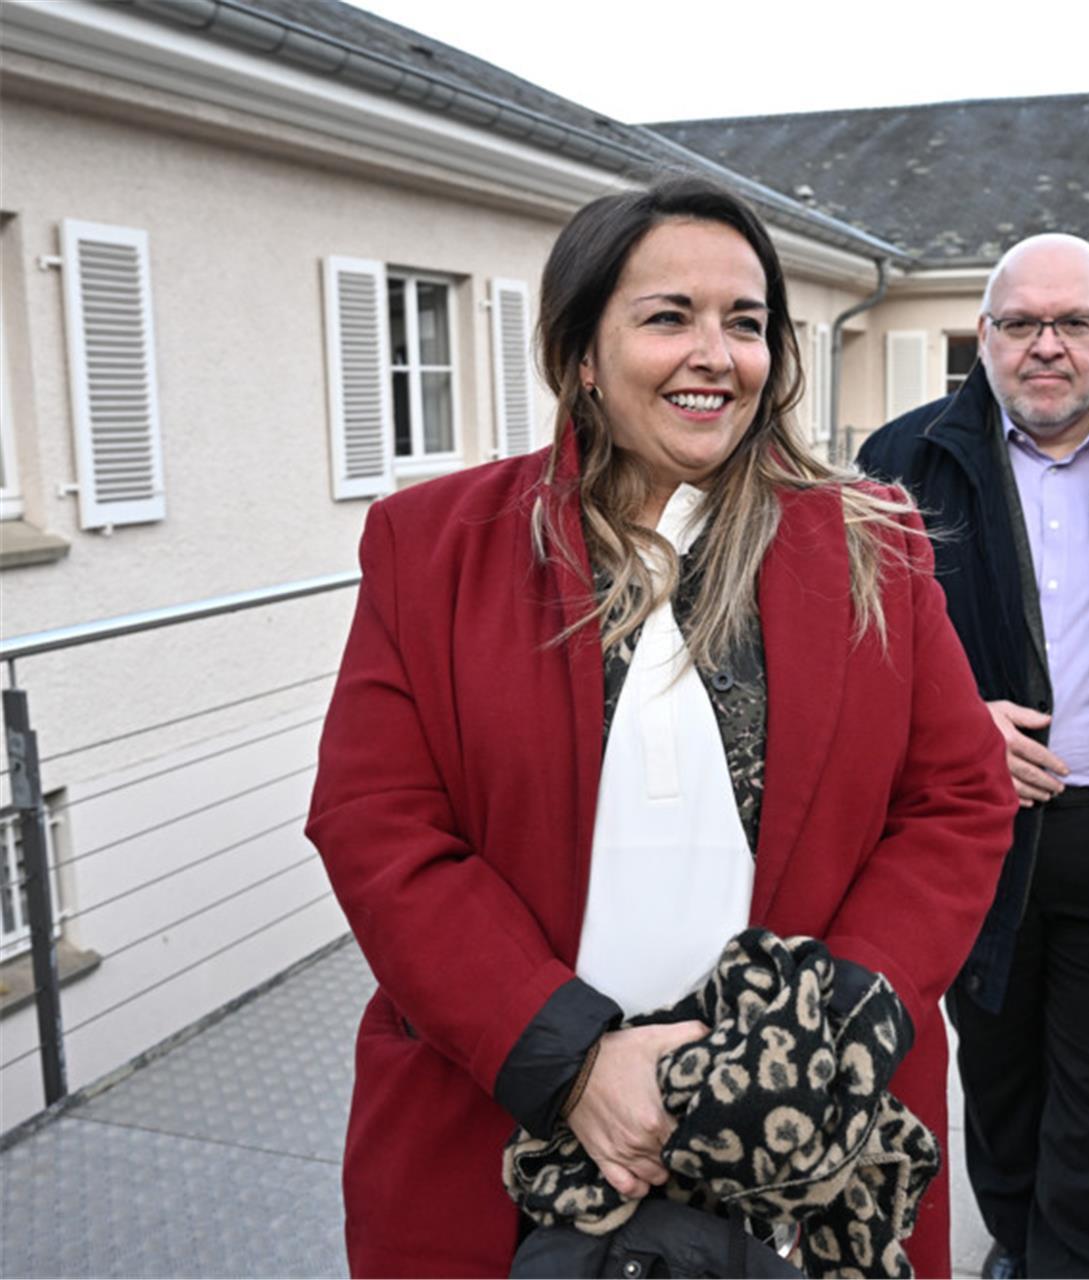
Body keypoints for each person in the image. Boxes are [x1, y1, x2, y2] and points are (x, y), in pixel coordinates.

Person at [307, 178, 1016, 1278]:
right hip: (501, 1128)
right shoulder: (431, 545)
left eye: (746, 323)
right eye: (667, 316)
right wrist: (574, 1059)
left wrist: (828, 1029)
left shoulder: (875, 541)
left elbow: (957, 798)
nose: (715, 355)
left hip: (805, 1147)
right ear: (581, 353)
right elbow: (378, 824)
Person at [859, 235, 1089, 1279]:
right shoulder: (901, 462)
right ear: (984, 337)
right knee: (1005, 1085)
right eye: (1021, 323)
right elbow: (854, 653)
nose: (1047, 347)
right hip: (972, 840)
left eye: (1074, 323)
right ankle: (1023, 1247)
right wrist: (955, 720)